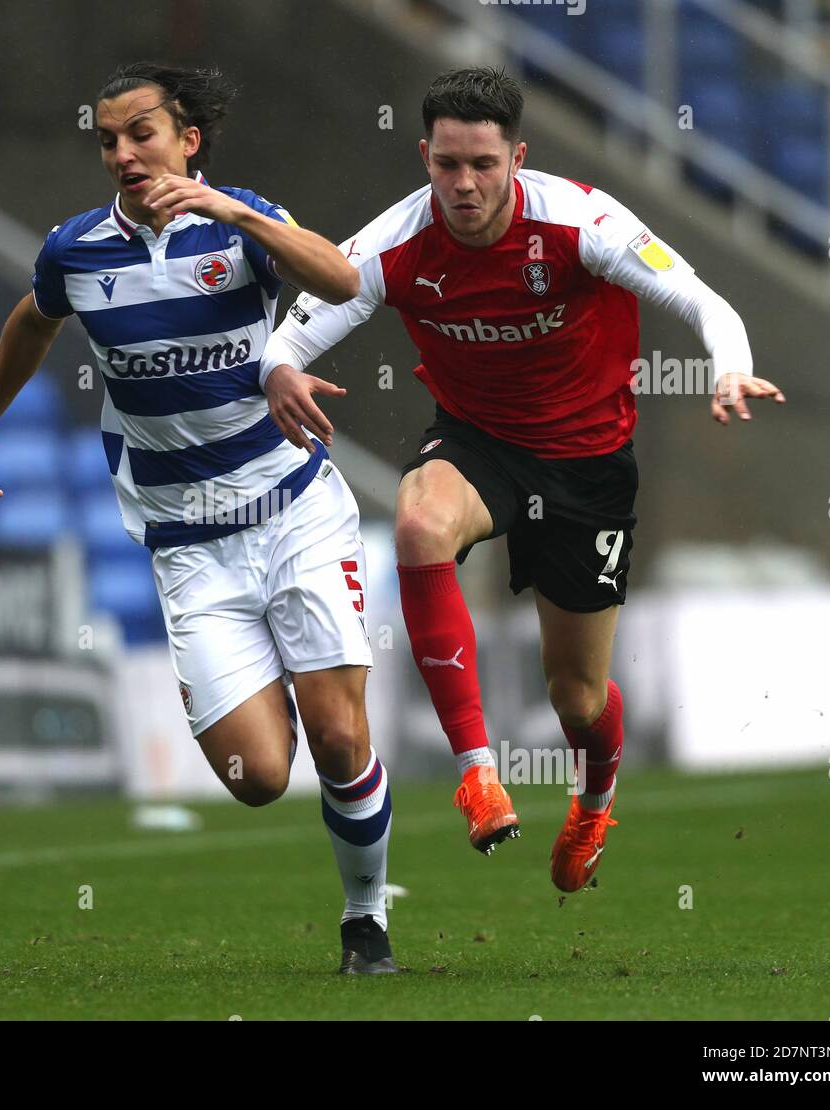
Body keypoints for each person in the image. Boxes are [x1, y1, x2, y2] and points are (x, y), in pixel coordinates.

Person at [260, 66, 784, 892]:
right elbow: (293, 334)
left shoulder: (583, 220)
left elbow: (705, 302)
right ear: (425, 155)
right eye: (446, 165)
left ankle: (595, 800)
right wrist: (278, 371)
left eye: (483, 166)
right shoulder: (395, 243)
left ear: (518, 159)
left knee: (575, 698)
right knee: (417, 523)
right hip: (480, 445)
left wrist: (731, 370)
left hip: (587, 462)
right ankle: (476, 772)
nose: (463, 185)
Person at [0, 63, 398, 971]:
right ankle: (277, 698)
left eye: (140, 134)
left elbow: (345, 279)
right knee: (258, 779)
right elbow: (29, 324)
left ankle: (365, 920)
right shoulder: (76, 251)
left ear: (188, 138)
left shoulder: (242, 221)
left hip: (294, 510)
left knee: (342, 736)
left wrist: (232, 214)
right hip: (188, 544)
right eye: (107, 141)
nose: (122, 153)